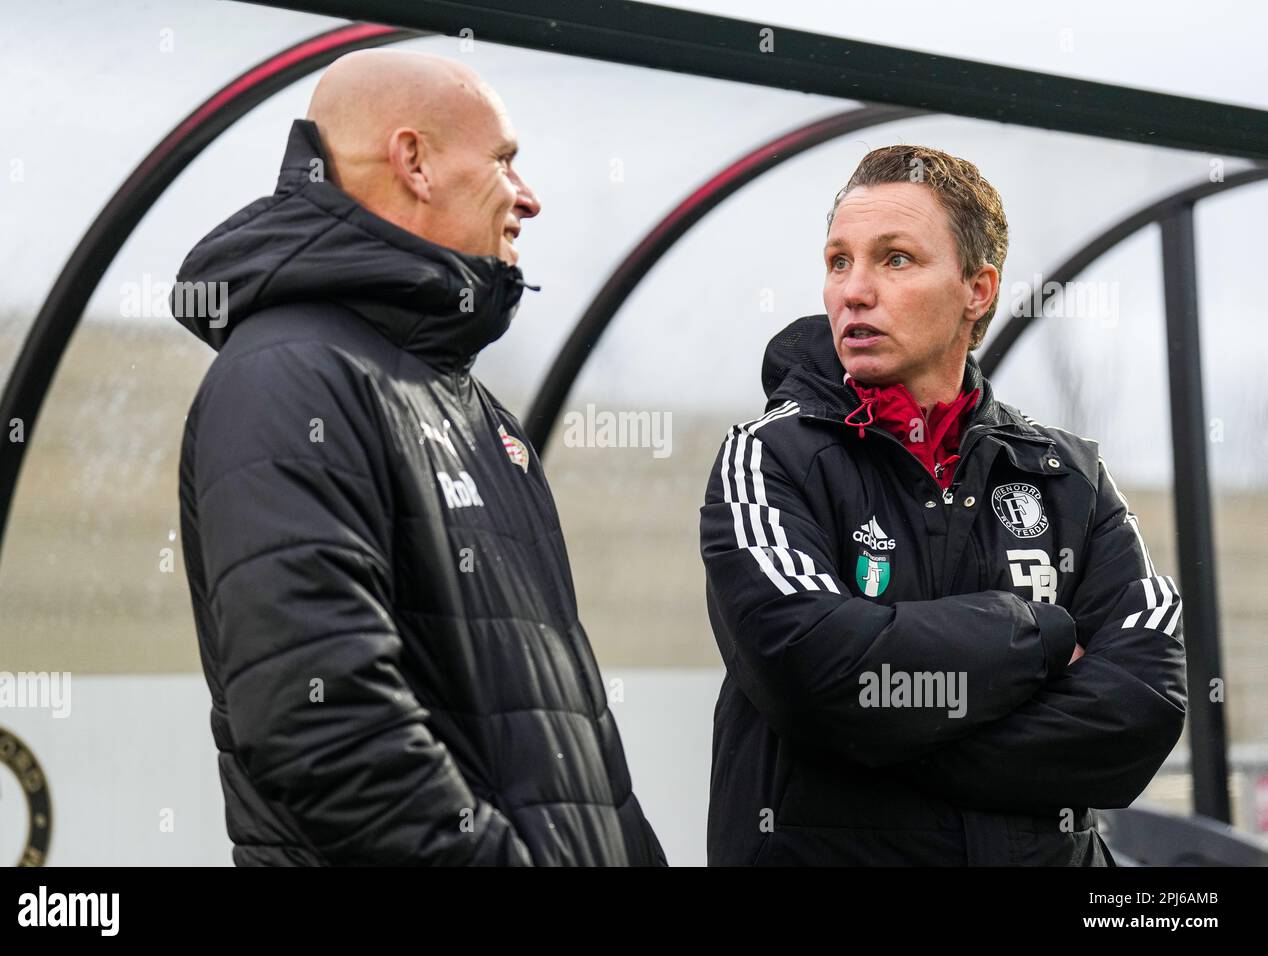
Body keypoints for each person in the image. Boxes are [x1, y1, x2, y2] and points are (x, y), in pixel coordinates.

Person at [173, 50, 665, 866]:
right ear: (415, 161)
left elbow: (573, 742)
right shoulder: (288, 378)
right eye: (505, 161)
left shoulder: (473, 407)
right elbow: (323, 725)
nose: (529, 197)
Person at [700, 145, 1187, 865]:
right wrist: (1042, 638)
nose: (853, 291)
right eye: (839, 261)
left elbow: (1143, 703)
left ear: (977, 289)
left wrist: (880, 740)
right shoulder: (770, 458)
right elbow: (813, 666)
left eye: (894, 259)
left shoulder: (1068, 476)